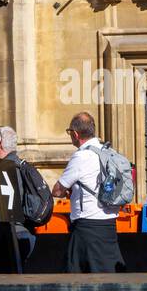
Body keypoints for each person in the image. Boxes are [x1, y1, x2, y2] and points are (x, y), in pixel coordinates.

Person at [53, 112, 125, 273]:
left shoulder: (81, 156)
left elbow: (57, 190)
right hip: (109, 226)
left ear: (75, 134)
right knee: (109, 278)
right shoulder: (109, 152)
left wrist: (66, 190)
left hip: (87, 228)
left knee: (75, 281)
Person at [0, 126, 45, 273]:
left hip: (8, 238)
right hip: (27, 235)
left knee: (8, 288)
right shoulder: (22, 166)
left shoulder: (1, 170)